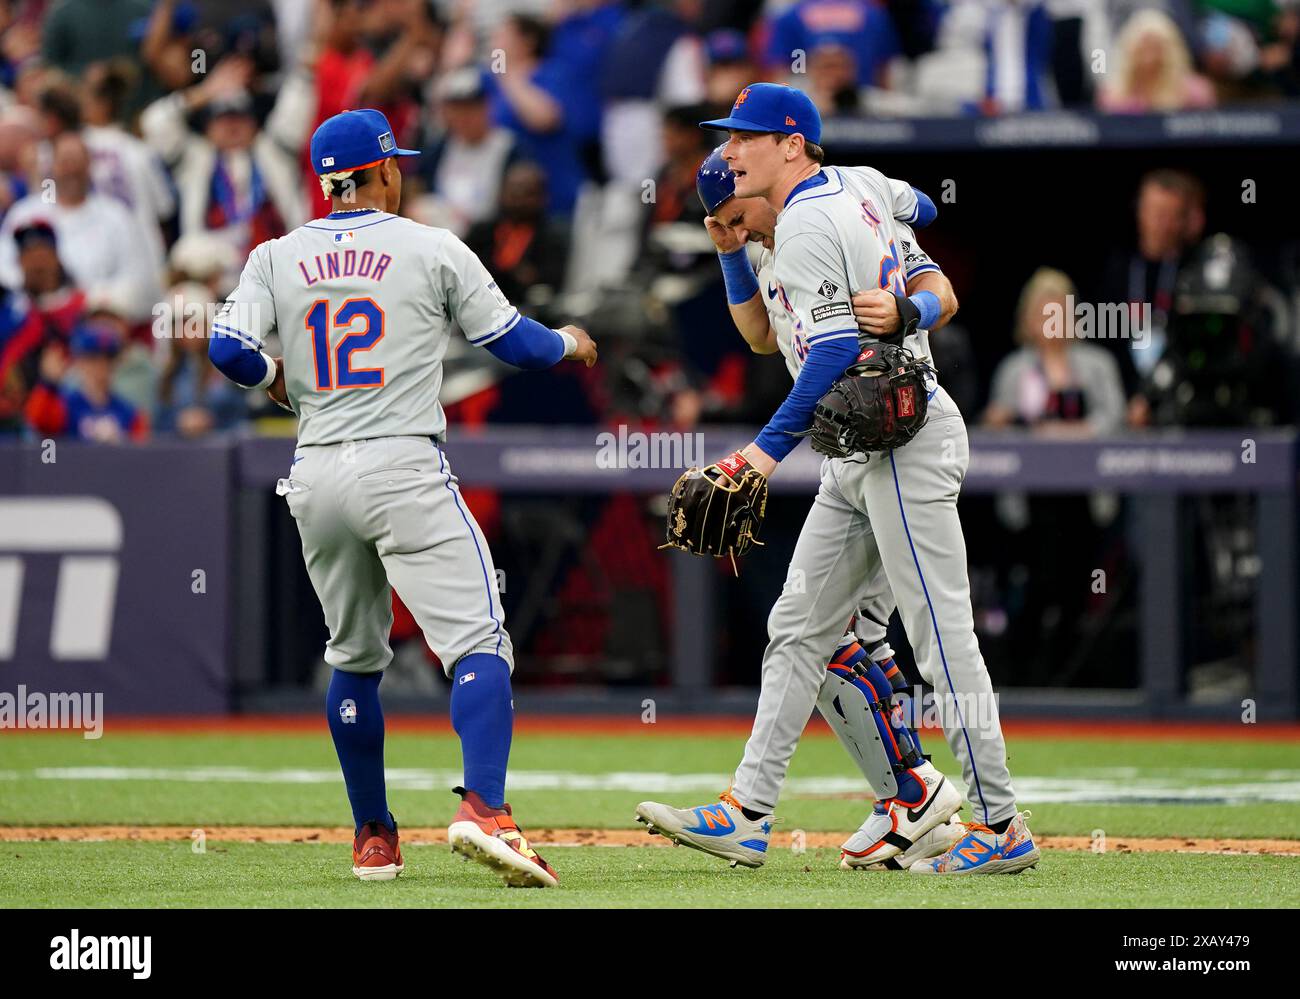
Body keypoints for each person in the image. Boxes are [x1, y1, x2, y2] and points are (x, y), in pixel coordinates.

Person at [639, 83, 1038, 875]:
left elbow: (835, 351)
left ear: (792, 143)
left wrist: (758, 455)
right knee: (798, 628)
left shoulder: (814, 217)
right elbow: (920, 210)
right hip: (860, 444)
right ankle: (749, 810)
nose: (727, 150)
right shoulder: (852, 187)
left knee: (938, 634)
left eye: (744, 137)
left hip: (905, 440)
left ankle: (1000, 823)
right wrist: (897, 274)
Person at [206, 107, 596, 887]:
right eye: (397, 164)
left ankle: (373, 838)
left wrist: (277, 380)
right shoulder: (429, 244)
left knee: (353, 656)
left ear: (324, 181)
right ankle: (485, 809)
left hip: (315, 471)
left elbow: (226, 348)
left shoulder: (276, 255)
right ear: (383, 170)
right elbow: (512, 341)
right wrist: (568, 343)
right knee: (480, 641)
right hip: (401, 463)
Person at [1097, 8, 1215, 113]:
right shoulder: (1112, 95)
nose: (1149, 55)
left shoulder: (1195, 92)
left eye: (1156, 47)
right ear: (1130, 50)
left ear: (1171, 50)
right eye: (1143, 47)